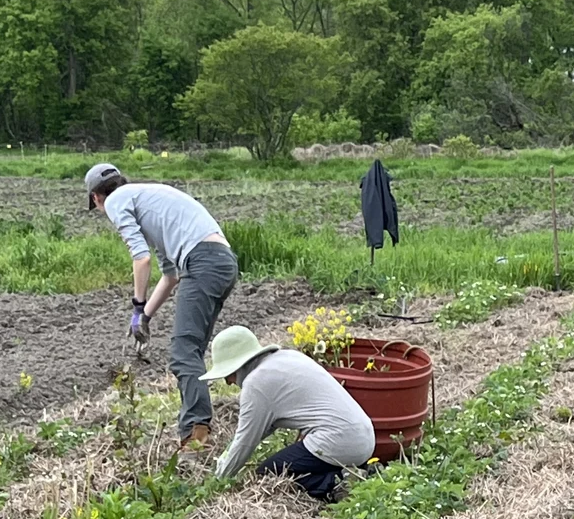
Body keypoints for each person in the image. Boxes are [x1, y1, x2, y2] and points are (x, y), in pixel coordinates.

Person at [85, 162, 239, 448]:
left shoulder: (117, 200)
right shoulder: (146, 199)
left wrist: (136, 305)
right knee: (191, 351)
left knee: (183, 354)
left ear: (96, 198)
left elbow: (140, 258)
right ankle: (199, 428)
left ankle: (196, 434)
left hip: (203, 261)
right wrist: (144, 316)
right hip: (221, 261)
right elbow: (170, 276)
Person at [202, 326, 377, 500]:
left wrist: (219, 481)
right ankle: (358, 473)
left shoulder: (257, 383)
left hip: (338, 441)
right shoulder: (288, 357)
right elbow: (262, 429)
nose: (227, 382)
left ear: (237, 366)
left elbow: (245, 442)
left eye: (227, 374)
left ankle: (334, 483)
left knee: (269, 475)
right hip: (365, 437)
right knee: (294, 461)